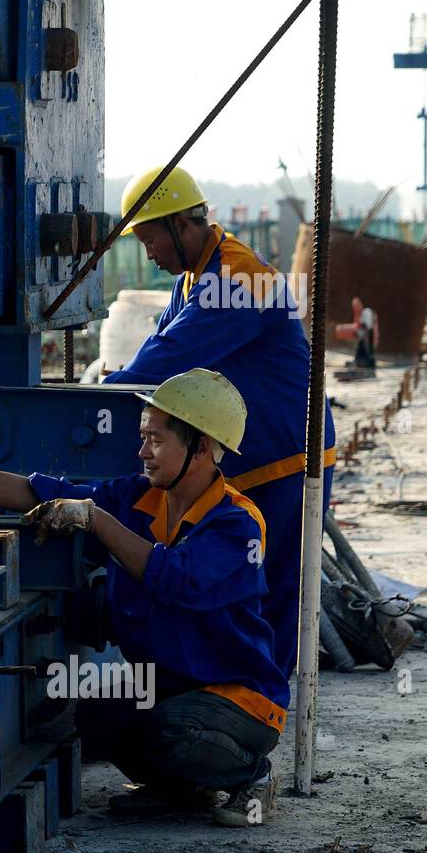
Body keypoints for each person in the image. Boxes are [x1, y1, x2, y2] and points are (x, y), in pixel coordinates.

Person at [0, 369, 286, 826]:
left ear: (200, 447)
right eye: (143, 437)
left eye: (155, 440)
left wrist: (97, 521)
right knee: (98, 719)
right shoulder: (139, 498)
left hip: (238, 696)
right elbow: (41, 492)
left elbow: (177, 579)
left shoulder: (237, 523)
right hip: (172, 683)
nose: (142, 452)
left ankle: (252, 774)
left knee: (171, 731)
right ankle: (182, 789)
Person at [102, 165, 335, 685]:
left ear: (182, 225)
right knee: (237, 601)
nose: (148, 254)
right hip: (253, 460)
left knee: (270, 602)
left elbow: (160, 366)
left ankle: (255, 728)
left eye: (150, 239)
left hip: (287, 462)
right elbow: (152, 359)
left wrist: (65, 403)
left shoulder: (236, 279)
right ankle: (231, 718)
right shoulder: (195, 278)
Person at [351, 296, 377, 370]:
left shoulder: (366, 311)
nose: (355, 309)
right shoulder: (361, 314)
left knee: (366, 351)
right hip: (365, 335)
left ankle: (367, 367)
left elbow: (366, 327)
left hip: (367, 335)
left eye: (356, 307)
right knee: (361, 351)